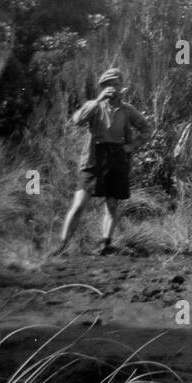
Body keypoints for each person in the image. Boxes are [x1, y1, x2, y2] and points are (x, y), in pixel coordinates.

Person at [58, 67, 153, 255]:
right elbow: (77, 120)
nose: (113, 88)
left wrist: (131, 146)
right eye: (109, 85)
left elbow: (146, 129)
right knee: (79, 205)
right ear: (103, 87)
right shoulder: (94, 106)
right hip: (93, 158)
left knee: (112, 204)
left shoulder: (127, 110)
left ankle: (105, 244)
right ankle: (62, 245)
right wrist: (98, 100)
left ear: (121, 86)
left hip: (117, 157)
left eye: (116, 84)